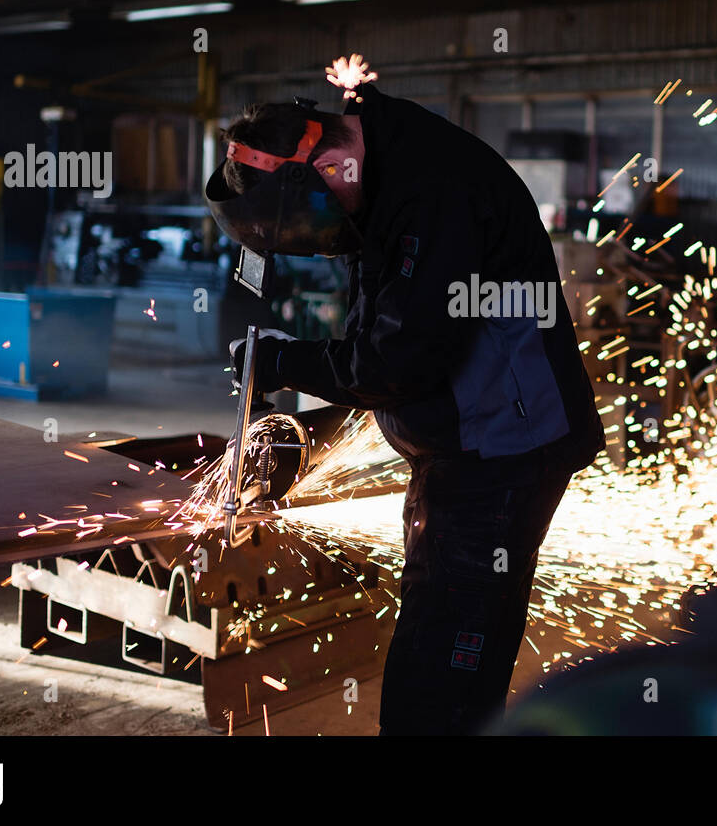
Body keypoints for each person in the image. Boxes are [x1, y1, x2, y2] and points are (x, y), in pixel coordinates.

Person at [204, 82, 604, 734]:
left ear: (325, 170)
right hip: (468, 455)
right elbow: (377, 340)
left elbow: (398, 359)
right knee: (441, 664)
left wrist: (283, 362)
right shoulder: (382, 172)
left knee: (439, 681)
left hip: (501, 461)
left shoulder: (436, 193)